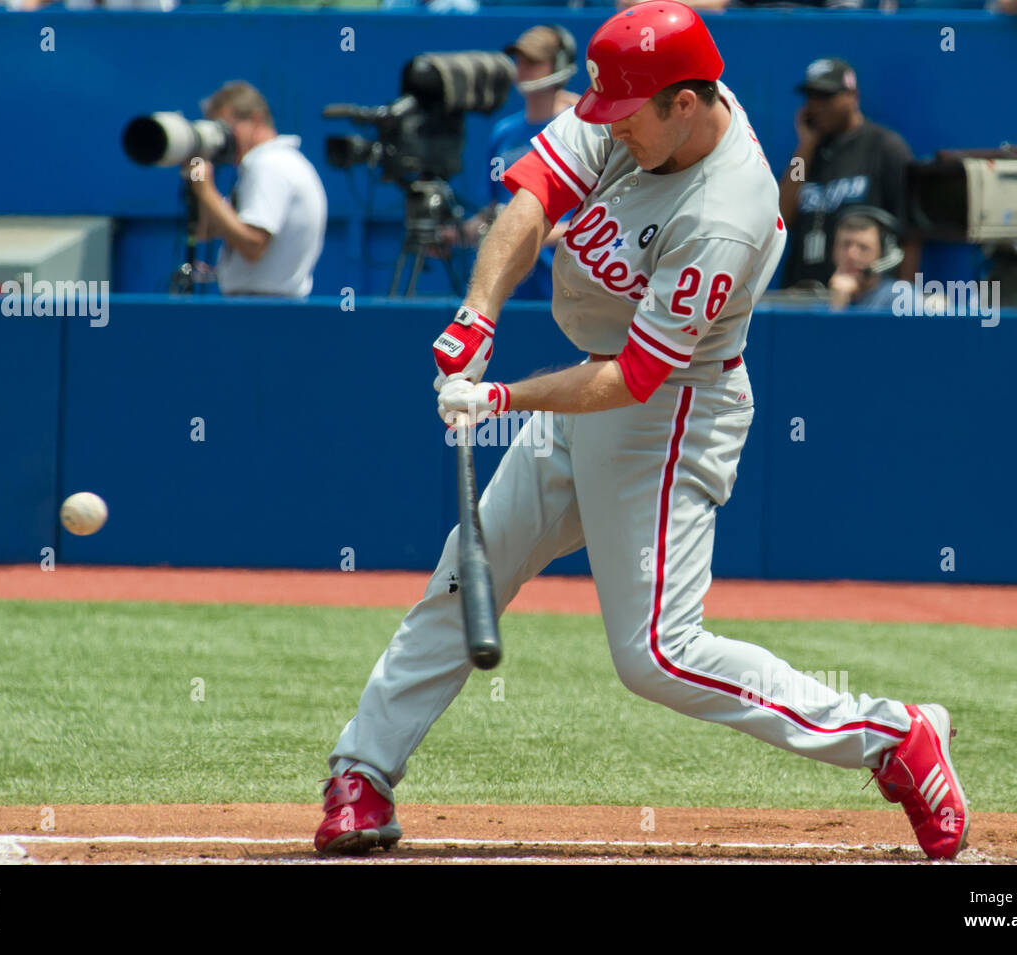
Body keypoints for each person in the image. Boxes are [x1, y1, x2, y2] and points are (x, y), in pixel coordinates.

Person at [313, 1, 969, 862]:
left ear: (686, 105)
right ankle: (363, 770)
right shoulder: (639, 102)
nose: (610, 132)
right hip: (585, 377)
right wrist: (477, 314)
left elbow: (635, 378)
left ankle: (895, 736)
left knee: (658, 653)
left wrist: (503, 397)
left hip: (669, 413)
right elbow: (534, 197)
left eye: (627, 119)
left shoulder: (726, 209)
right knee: (468, 568)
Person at [463, 25, 581, 300]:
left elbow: (599, 218)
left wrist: (532, 234)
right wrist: (458, 234)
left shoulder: (580, 128)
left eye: (533, 62)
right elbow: (492, 210)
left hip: (565, 283)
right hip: (513, 285)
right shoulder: (503, 132)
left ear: (559, 66)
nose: (523, 69)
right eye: (520, 62)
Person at [778, 58, 917, 288]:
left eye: (826, 97)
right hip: (801, 292)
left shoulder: (885, 147)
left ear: (852, 96)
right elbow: (783, 216)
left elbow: (910, 235)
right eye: (811, 97)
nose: (816, 105)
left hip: (861, 299)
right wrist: (805, 146)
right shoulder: (806, 155)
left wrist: (902, 297)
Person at [186, 82, 326, 297]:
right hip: (266, 306)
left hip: (262, 310)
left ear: (256, 119)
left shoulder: (269, 165)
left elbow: (253, 244)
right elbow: (204, 231)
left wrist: (206, 191)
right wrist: (198, 179)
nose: (223, 139)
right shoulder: (278, 163)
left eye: (226, 128)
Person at [827, 206, 902, 310]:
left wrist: (838, 309)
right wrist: (837, 302)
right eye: (845, 245)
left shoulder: (901, 299)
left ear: (883, 254)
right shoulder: (821, 297)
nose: (851, 255)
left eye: (863, 247)